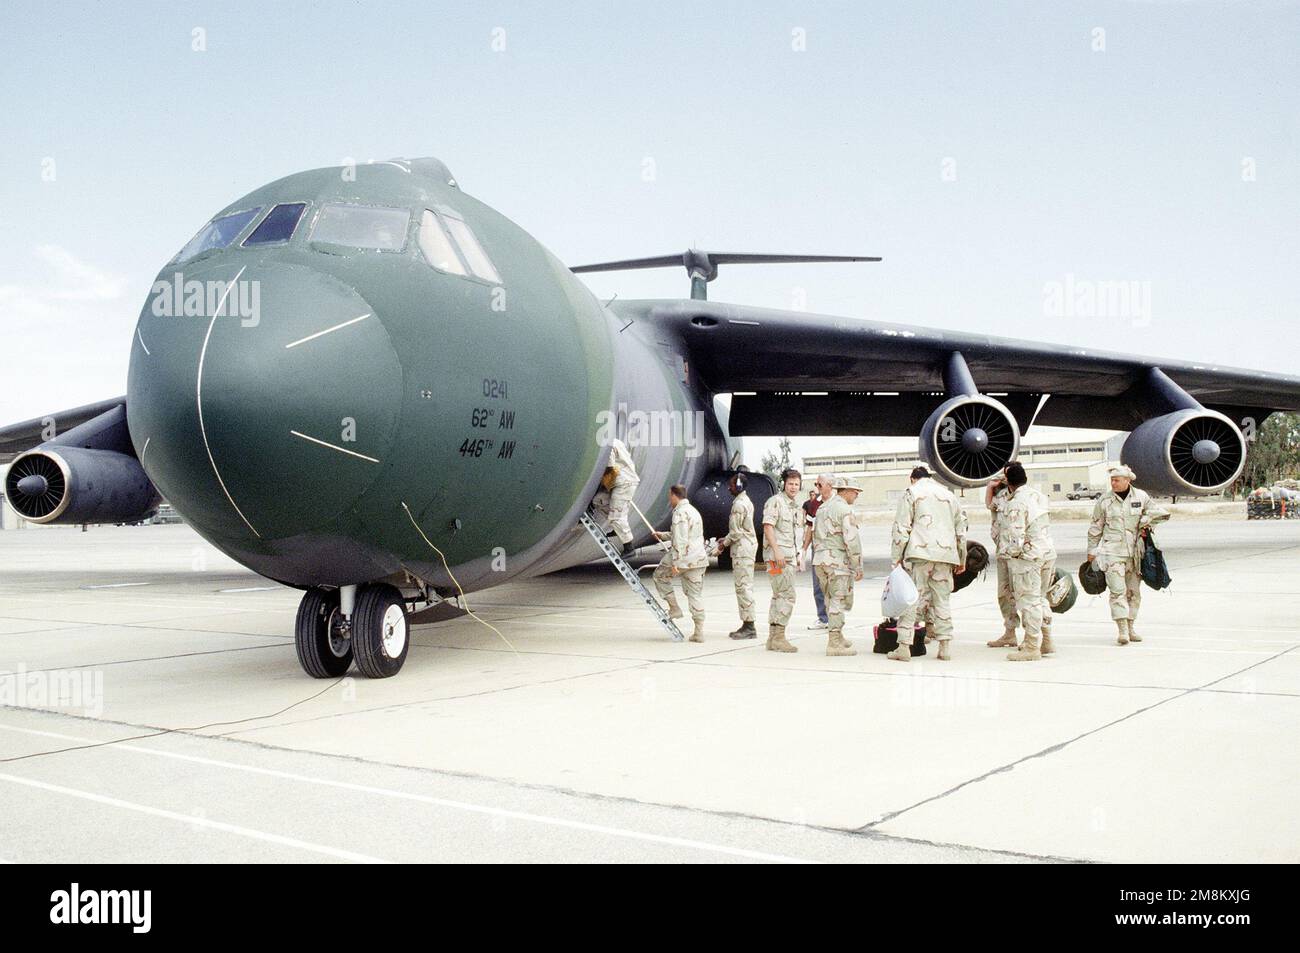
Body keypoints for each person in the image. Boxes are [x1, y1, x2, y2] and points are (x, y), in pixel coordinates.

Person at [887, 466, 968, 662]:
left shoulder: (912, 492)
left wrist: (896, 557)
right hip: (945, 555)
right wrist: (961, 558)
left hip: (919, 554)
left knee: (911, 599)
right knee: (942, 600)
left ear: (912, 478)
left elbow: (901, 527)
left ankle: (904, 646)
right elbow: (961, 529)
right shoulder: (949, 495)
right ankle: (945, 646)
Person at [1087, 464, 1170, 645]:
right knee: (1118, 592)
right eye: (1112, 480)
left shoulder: (1141, 497)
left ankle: (1131, 626)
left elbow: (1160, 513)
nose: (1113, 483)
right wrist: (1092, 552)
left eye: (1116, 480)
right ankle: (1122, 629)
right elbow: (1095, 527)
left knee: (1133, 592)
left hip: (1135, 554)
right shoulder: (1104, 501)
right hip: (1112, 553)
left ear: (1127, 480)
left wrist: (1146, 523)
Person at [996, 463, 1057, 661]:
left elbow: (1015, 534)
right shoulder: (1038, 495)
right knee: (1040, 598)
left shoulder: (1016, 502)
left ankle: (1032, 645)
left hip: (1028, 557)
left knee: (1029, 601)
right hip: (1047, 551)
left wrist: (1010, 554)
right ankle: (1047, 640)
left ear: (1009, 483)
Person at [812, 477, 864, 656]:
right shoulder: (844, 510)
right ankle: (834, 643)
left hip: (820, 560)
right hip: (837, 562)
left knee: (829, 599)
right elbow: (852, 540)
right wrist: (858, 565)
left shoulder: (822, 507)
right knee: (838, 600)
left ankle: (838, 635)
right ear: (846, 490)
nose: (857, 495)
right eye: (855, 492)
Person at [652, 484, 709, 642]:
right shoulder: (693, 511)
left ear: (674, 495)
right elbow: (682, 533)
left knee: (659, 576)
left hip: (684, 558)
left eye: (669, 496)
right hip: (698, 559)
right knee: (695, 595)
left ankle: (674, 607)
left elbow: (681, 540)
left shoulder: (679, 513)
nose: (669, 500)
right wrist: (663, 536)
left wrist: (677, 563)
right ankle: (699, 631)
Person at [762, 467, 804, 653]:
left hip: (786, 556)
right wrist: (778, 551)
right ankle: (779, 637)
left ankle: (773, 638)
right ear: (784, 484)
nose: (794, 487)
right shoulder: (776, 502)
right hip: (778, 559)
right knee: (787, 595)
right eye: (790, 484)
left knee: (778, 594)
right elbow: (768, 527)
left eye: (796, 484)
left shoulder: (794, 506)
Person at [713, 472, 758, 640]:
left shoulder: (739, 504)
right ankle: (748, 624)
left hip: (742, 550)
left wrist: (722, 545)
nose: (729, 487)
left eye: (732, 485)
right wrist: (727, 538)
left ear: (738, 486)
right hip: (745, 547)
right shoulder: (745, 501)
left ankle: (749, 626)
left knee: (743, 587)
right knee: (745, 586)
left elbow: (737, 532)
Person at [985, 469, 1023, 649]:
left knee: (1025, 595)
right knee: (1004, 594)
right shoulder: (1001, 496)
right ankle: (1010, 633)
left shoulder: (1025, 497)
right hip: (1003, 552)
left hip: (1021, 554)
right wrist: (989, 487)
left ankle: (1035, 636)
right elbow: (990, 506)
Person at [590, 437, 640, 557]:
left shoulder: (607, 445)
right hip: (622, 481)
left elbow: (610, 468)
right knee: (598, 500)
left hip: (624, 483)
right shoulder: (617, 441)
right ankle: (618, 528)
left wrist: (603, 485)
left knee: (617, 517)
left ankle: (629, 547)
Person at [801, 475, 835, 630]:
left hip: (835, 550)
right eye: (816, 484)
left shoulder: (839, 503)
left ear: (830, 485)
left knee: (834, 585)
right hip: (818, 549)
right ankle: (823, 618)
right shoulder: (814, 504)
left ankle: (835, 618)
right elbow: (809, 527)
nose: (817, 487)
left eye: (820, 484)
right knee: (818, 585)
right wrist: (804, 550)